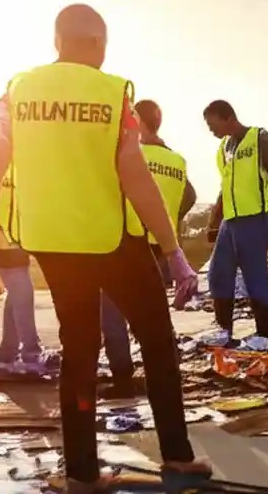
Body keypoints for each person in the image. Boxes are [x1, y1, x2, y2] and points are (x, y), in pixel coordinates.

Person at [0, 4, 210, 491]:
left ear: (57, 41)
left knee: (79, 348)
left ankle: (81, 471)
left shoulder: (16, 92)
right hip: (112, 240)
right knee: (158, 341)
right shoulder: (111, 92)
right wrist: (172, 250)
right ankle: (177, 456)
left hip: (53, 245)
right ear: (99, 44)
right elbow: (134, 173)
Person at [100, 99, 197, 398]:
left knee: (113, 314)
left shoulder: (130, 154)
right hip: (162, 249)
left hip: (130, 243)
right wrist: (171, 220)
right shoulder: (177, 161)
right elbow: (189, 196)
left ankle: (123, 379)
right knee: (154, 318)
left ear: (138, 120)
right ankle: (165, 378)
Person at [202, 100, 268, 351]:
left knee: (255, 277)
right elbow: (225, 186)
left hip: (256, 217)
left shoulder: (258, 137)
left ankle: (262, 335)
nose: (211, 130)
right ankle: (224, 332)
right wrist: (214, 219)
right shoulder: (223, 148)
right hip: (231, 221)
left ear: (227, 117)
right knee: (218, 274)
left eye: (212, 124)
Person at [0, 165, 46, 376]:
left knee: (17, 295)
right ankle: (31, 354)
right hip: (2, 244)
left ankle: (7, 355)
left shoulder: (24, 166)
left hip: (20, 242)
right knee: (23, 292)